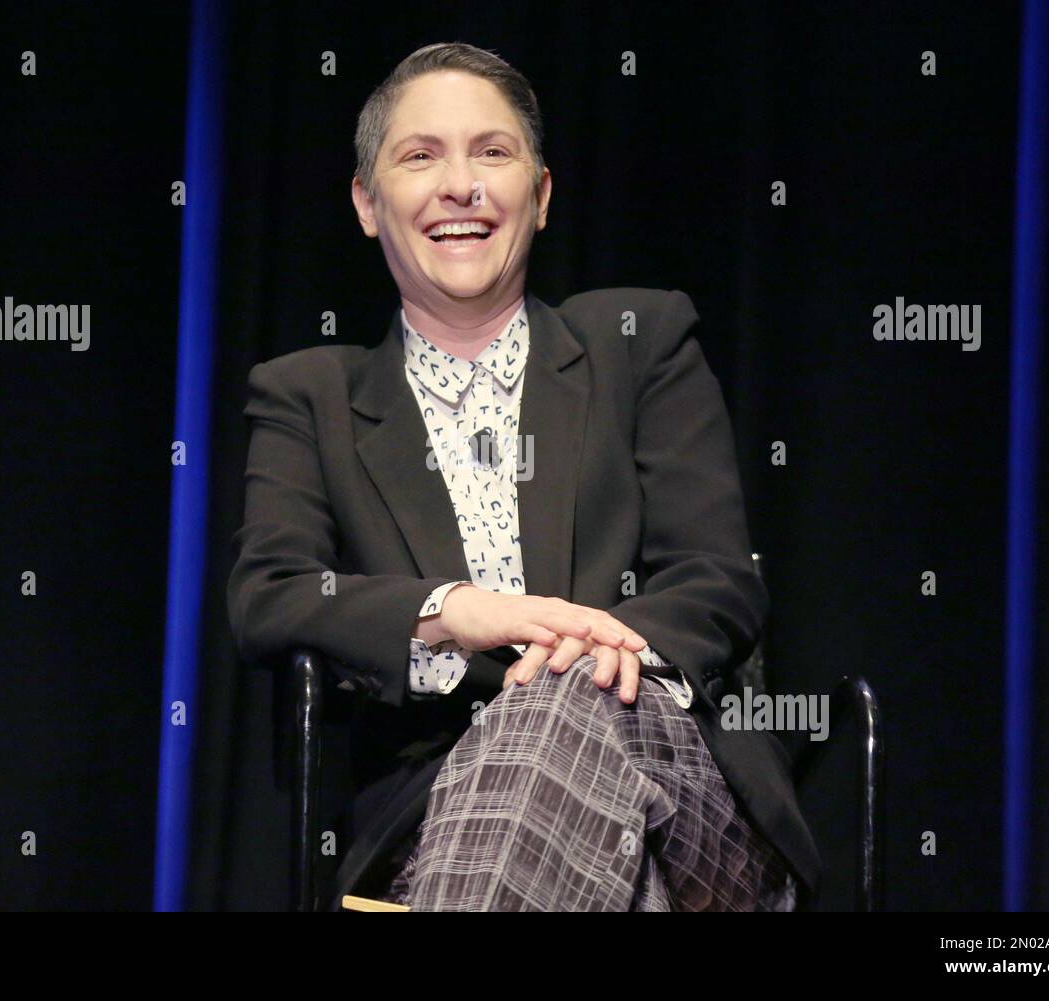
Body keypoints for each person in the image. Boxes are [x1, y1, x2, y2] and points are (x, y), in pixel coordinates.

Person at [226, 41, 820, 911]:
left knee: (559, 703)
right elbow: (271, 594)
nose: (459, 185)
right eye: (420, 155)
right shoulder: (308, 396)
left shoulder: (638, 342)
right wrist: (456, 612)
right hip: (433, 820)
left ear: (539, 197)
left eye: (492, 153)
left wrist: (588, 656)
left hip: (689, 797)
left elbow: (717, 580)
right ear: (366, 201)